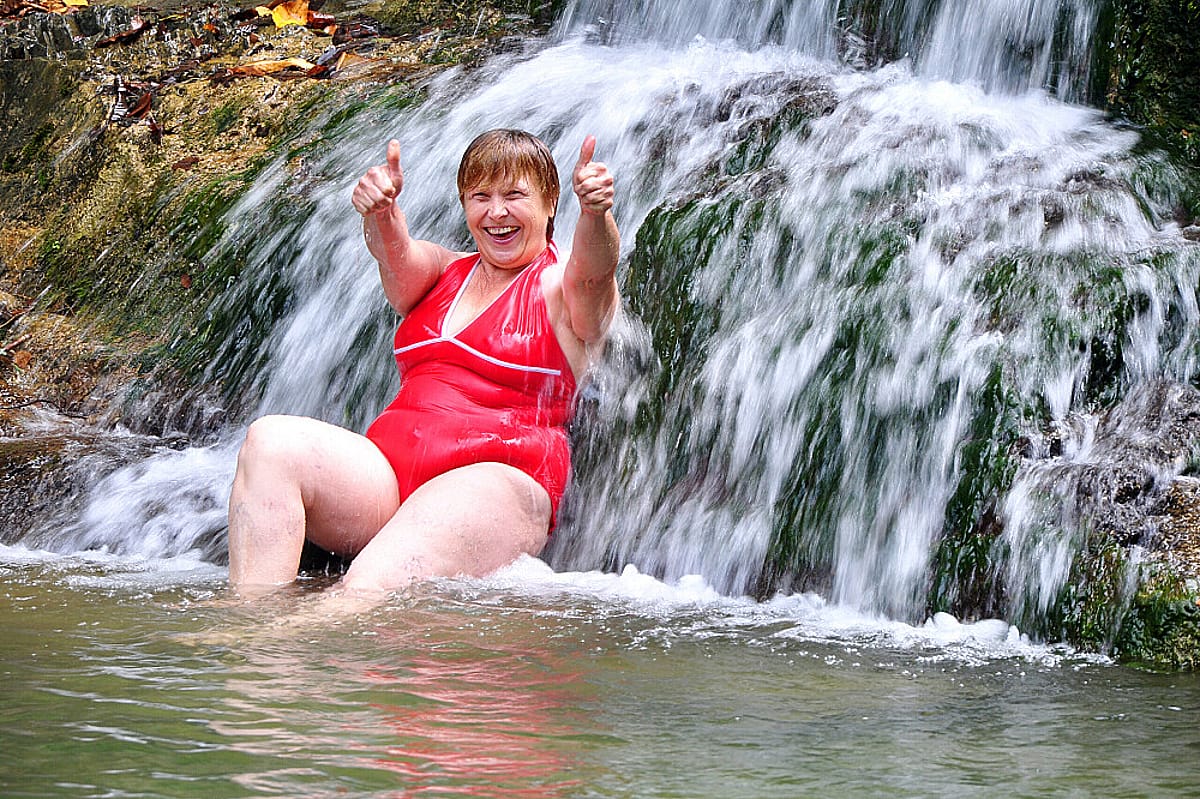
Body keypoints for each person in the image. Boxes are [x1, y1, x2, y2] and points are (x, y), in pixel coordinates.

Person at [226, 129, 619, 596]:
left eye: (515, 195)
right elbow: (394, 254)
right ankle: (251, 620)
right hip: (388, 479)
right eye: (481, 197)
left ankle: (280, 650)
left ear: (550, 202)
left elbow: (596, 274)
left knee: (361, 590)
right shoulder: (442, 270)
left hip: (496, 484)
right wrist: (382, 212)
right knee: (270, 442)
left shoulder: (562, 287)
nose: (496, 212)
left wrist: (595, 214)